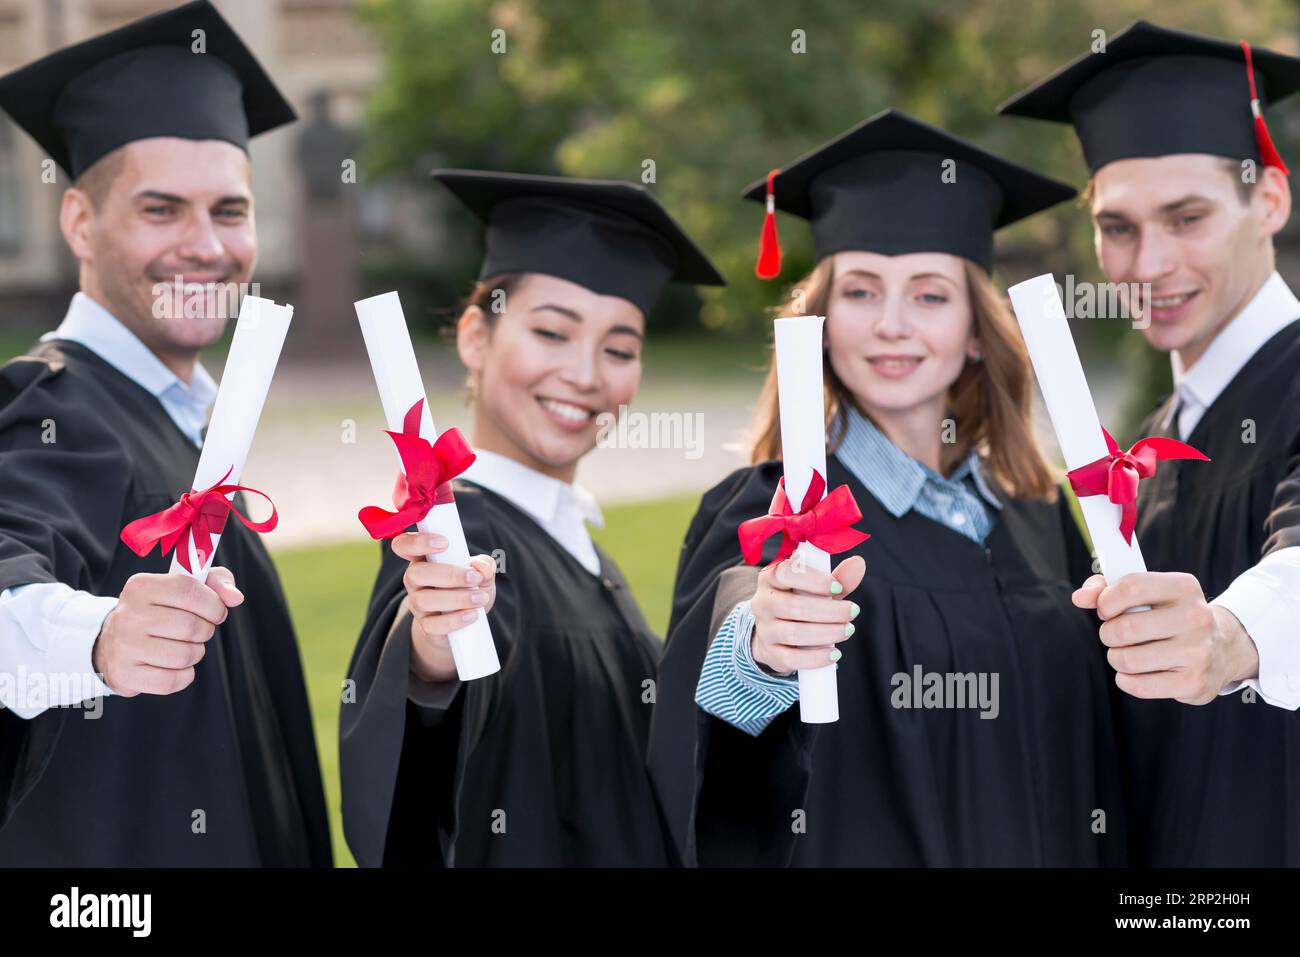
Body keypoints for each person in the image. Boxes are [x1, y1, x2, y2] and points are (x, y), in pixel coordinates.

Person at [648, 109, 1131, 866]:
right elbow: (713, 705)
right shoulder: (771, 511)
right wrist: (764, 645)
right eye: (862, 292)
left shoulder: (1039, 515)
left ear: (976, 329)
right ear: (823, 320)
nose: (892, 325)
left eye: (931, 296)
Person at [340, 169, 826, 866]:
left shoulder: (588, 558)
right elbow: (426, 734)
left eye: (620, 348)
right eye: (551, 332)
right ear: (475, 336)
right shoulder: (458, 537)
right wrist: (431, 653)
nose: (586, 373)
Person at [0, 0, 330, 866]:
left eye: (230, 210)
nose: (206, 245)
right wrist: (101, 637)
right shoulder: (54, 405)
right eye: (161, 210)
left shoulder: (192, 421)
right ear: (79, 222)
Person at [1000, 18, 1300, 866]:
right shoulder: (1150, 450)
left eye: (1187, 216)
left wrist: (1229, 637)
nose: (1147, 261)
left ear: (1268, 199)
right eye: (1118, 226)